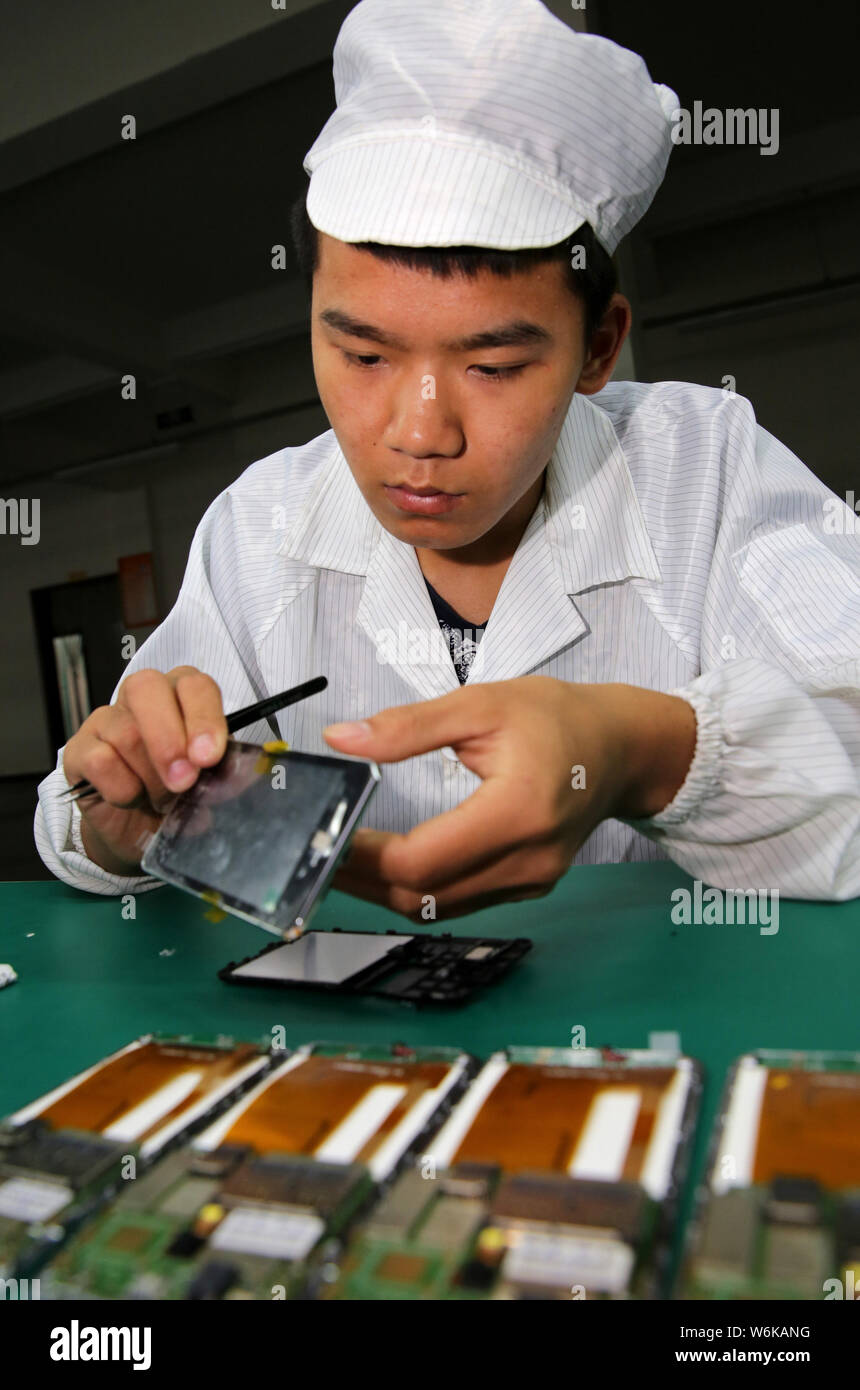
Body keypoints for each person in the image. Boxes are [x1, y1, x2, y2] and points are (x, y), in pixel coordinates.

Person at [35, 0, 860, 916]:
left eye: (494, 365)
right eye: (362, 356)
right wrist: (117, 829)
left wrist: (641, 750)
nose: (421, 433)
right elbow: (82, 809)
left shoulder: (706, 466)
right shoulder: (259, 526)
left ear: (598, 348)